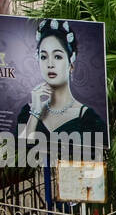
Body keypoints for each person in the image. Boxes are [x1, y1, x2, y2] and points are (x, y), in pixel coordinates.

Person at [14, 19, 106, 160]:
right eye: (44, 57)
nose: (50, 64)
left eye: (57, 56)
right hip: (41, 179)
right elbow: (20, 150)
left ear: (71, 63)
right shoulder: (28, 112)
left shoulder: (88, 118)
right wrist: (35, 113)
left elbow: (95, 157)